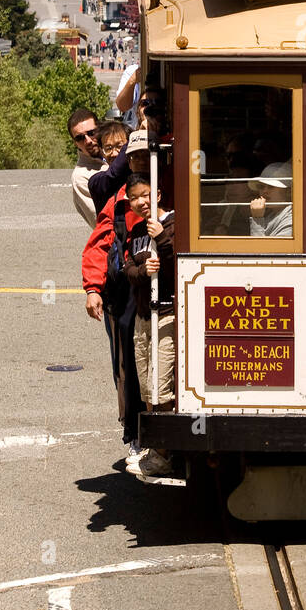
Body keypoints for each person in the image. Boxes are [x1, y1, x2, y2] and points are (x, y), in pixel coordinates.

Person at [82, 129, 150, 462]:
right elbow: (98, 246)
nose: (138, 159)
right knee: (132, 364)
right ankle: (136, 435)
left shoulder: (167, 189)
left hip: (163, 292)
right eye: (133, 155)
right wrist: (93, 289)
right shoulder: (118, 200)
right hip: (128, 296)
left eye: (143, 154)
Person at [124, 171, 176, 478]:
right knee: (146, 387)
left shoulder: (170, 224)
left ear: (157, 195)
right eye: (134, 198)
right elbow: (128, 270)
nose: (140, 201)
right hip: (144, 317)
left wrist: (162, 239)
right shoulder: (136, 231)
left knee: (161, 387)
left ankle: (164, 454)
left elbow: (180, 264)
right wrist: (143, 269)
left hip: (166, 314)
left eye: (145, 195)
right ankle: (155, 446)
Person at [69, 109, 103, 227]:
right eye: (80, 138)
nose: (88, 141)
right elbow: (101, 222)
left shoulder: (117, 153)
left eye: (91, 133)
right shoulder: (81, 178)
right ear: (75, 143)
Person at [249, 162, 293, 237]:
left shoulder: (292, 219)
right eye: (261, 186)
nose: (265, 191)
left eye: (271, 186)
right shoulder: (272, 214)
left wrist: (257, 219)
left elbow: (261, 248)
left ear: (288, 191)